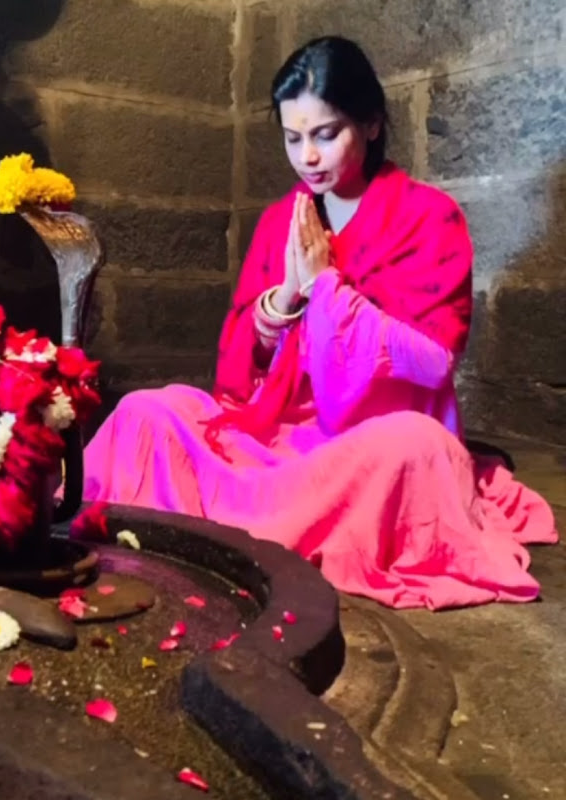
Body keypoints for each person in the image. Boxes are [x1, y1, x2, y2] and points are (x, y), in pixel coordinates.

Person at [82, 36, 558, 610]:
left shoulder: (429, 218)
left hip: (365, 439)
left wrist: (327, 286)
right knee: (147, 412)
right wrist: (287, 295)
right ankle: (276, 513)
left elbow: (433, 362)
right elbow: (239, 367)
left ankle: (251, 518)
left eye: (326, 135)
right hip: (276, 432)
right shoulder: (283, 220)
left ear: (373, 125)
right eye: (293, 138)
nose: (307, 157)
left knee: (417, 445)